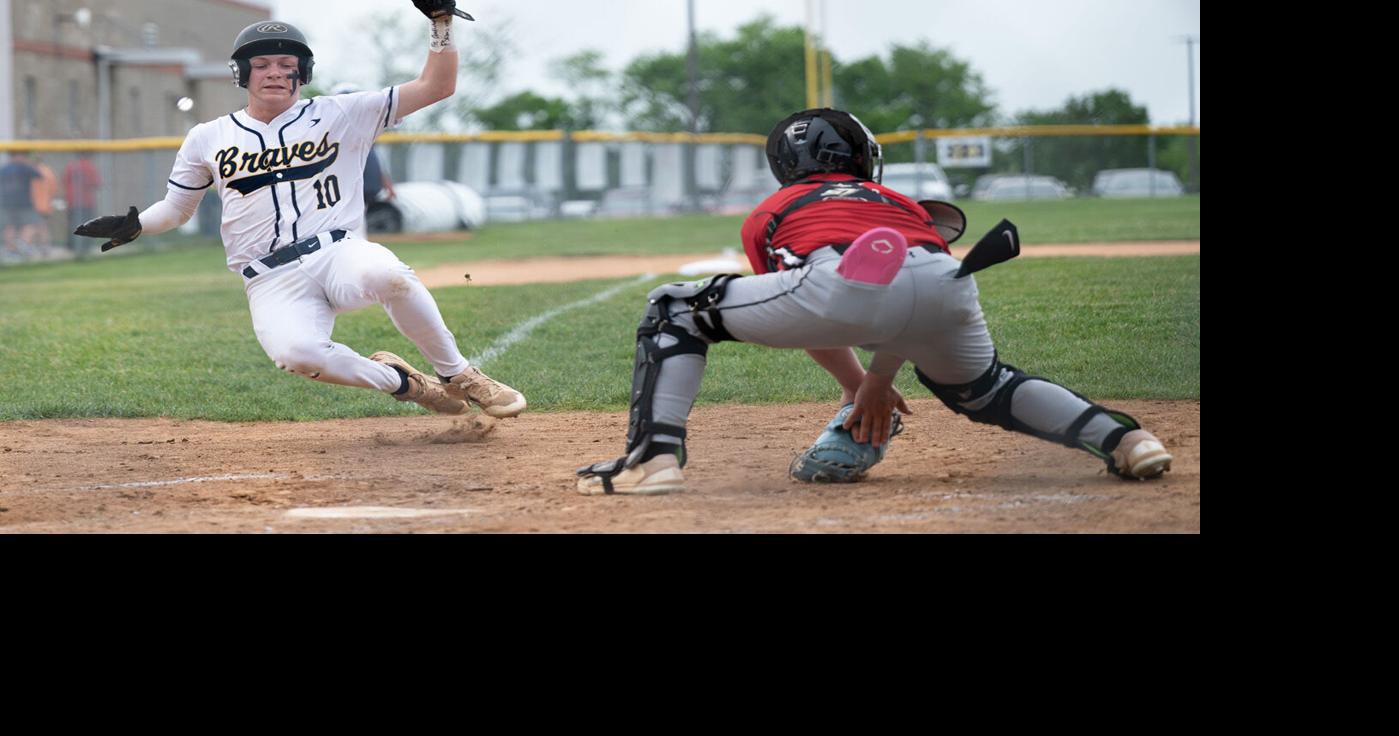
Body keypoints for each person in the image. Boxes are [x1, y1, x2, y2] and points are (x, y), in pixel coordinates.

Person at [575, 107, 1172, 495]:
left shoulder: (773, 210)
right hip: (949, 276)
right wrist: (877, 379)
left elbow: (821, 317)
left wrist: (860, 384)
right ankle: (1127, 441)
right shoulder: (898, 200)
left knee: (673, 310)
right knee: (987, 387)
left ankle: (652, 460)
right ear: (862, 156)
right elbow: (908, 296)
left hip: (846, 280)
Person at [74, 2, 526, 419]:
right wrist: (138, 225)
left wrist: (441, 24)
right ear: (241, 73)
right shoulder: (207, 137)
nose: (274, 72)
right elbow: (176, 208)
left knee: (386, 275)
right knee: (299, 356)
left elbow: (437, 87)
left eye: (287, 65)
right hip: (267, 277)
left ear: (303, 72)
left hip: (338, 251)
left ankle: (459, 374)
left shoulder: (343, 112)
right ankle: (406, 382)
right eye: (262, 64)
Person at [1, 152, 42, 259]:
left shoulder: (4, 168)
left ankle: (11, 251)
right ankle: (22, 245)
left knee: (10, 227)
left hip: (7, 202)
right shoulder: (25, 167)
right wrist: (30, 163)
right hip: (24, 203)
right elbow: (39, 175)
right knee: (32, 224)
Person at [63, 153, 102, 254]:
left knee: (73, 224)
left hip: (72, 201)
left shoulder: (70, 166)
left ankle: (72, 246)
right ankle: (85, 246)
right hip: (86, 202)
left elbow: (64, 181)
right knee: (88, 224)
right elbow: (97, 183)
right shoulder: (90, 167)